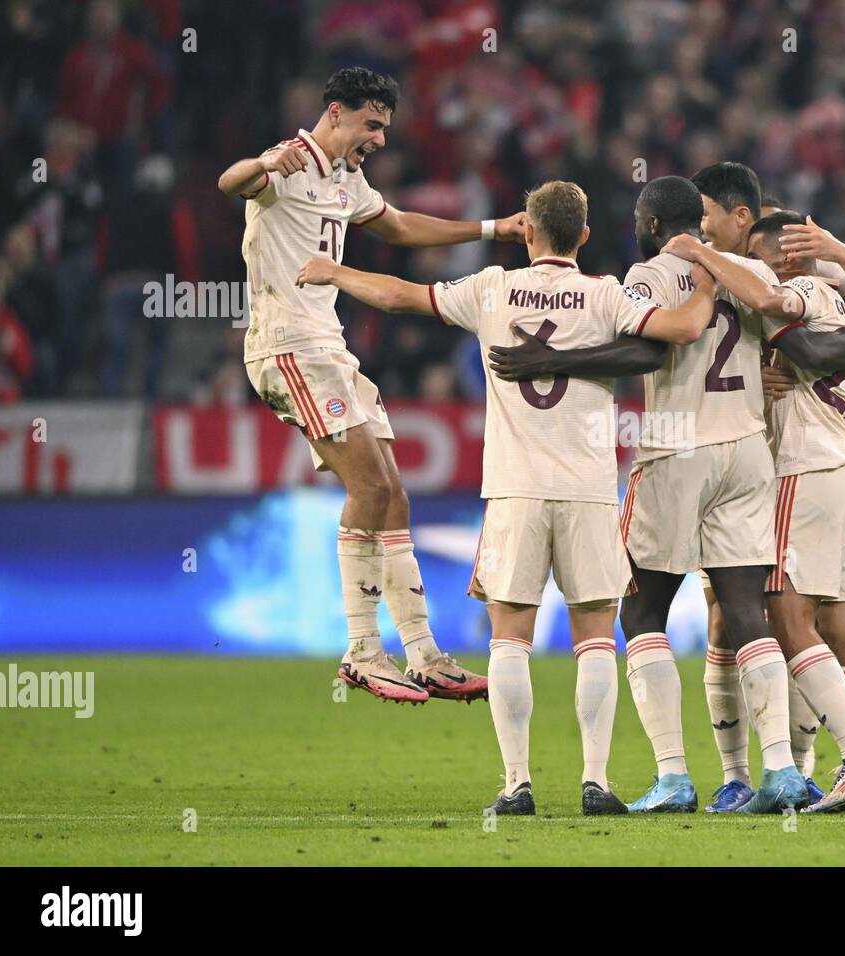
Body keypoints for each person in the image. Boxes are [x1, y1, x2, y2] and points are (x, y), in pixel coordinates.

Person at [296, 180, 720, 815]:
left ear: (528, 232)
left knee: (510, 639)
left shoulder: (490, 288)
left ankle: (516, 784)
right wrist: (710, 272)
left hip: (514, 490)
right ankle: (596, 783)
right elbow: (684, 328)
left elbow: (398, 295)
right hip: (587, 491)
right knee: (598, 639)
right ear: (583, 236)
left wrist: (334, 269)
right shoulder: (606, 293)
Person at [218, 66, 527, 705]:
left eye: (384, 127)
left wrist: (495, 230)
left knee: (393, 494)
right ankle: (362, 650)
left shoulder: (344, 177)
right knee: (370, 486)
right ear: (336, 112)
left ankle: (423, 653)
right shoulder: (293, 162)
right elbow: (232, 182)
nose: (380, 140)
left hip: (330, 347)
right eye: (372, 125)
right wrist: (265, 166)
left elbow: (400, 226)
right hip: (288, 348)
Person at [663, 212, 845, 812]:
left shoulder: (790, 288)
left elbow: (771, 298)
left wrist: (701, 254)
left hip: (801, 473)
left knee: (788, 623)